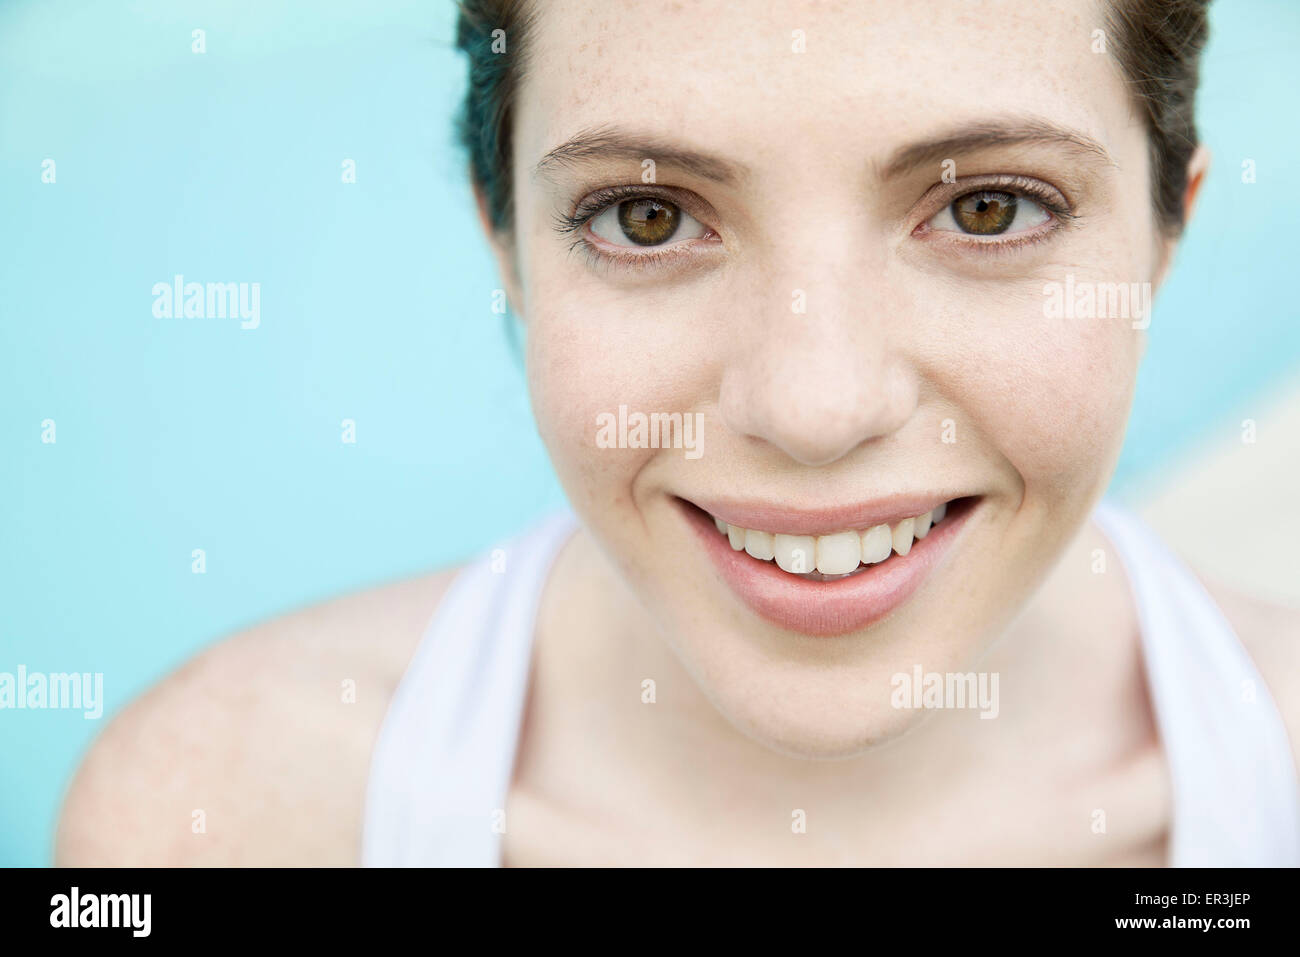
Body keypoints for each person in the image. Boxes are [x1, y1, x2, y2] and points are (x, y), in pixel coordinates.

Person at [57, 0, 1300, 866]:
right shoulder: (224, 816)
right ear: (507, 248)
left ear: (1162, 238)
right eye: (646, 217)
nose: (815, 410)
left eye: (990, 206)